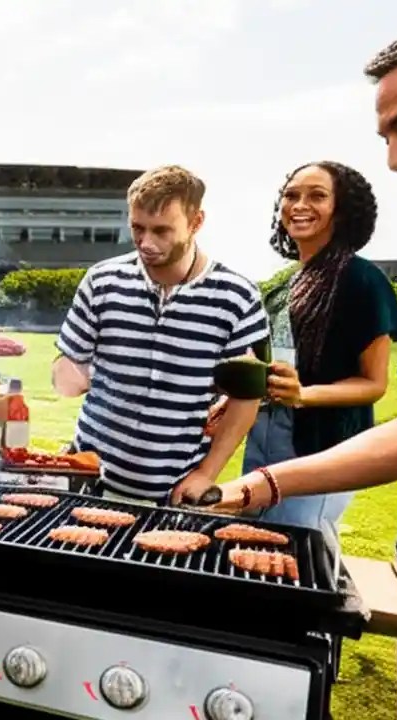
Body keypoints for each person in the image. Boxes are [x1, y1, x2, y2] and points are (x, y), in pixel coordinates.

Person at [209, 11, 397, 720]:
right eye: (387, 136)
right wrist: (259, 485)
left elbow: (369, 387)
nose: (396, 158)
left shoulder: (361, 279)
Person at [51, 165, 269, 505]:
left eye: (162, 231)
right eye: (138, 228)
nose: (146, 243)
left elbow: (246, 400)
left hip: (173, 492)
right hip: (87, 479)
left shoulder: (237, 297)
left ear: (196, 223)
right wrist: (76, 374)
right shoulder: (102, 281)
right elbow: (67, 364)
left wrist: (206, 474)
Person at [223, 161, 397, 543]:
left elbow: (373, 383)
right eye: (291, 195)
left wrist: (303, 394)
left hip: (322, 449)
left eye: (317, 195)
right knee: (257, 543)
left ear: (342, 208)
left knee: (301, 546)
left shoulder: (361, 279)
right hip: (266, 438)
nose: (299, 205)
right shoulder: (286, 280)